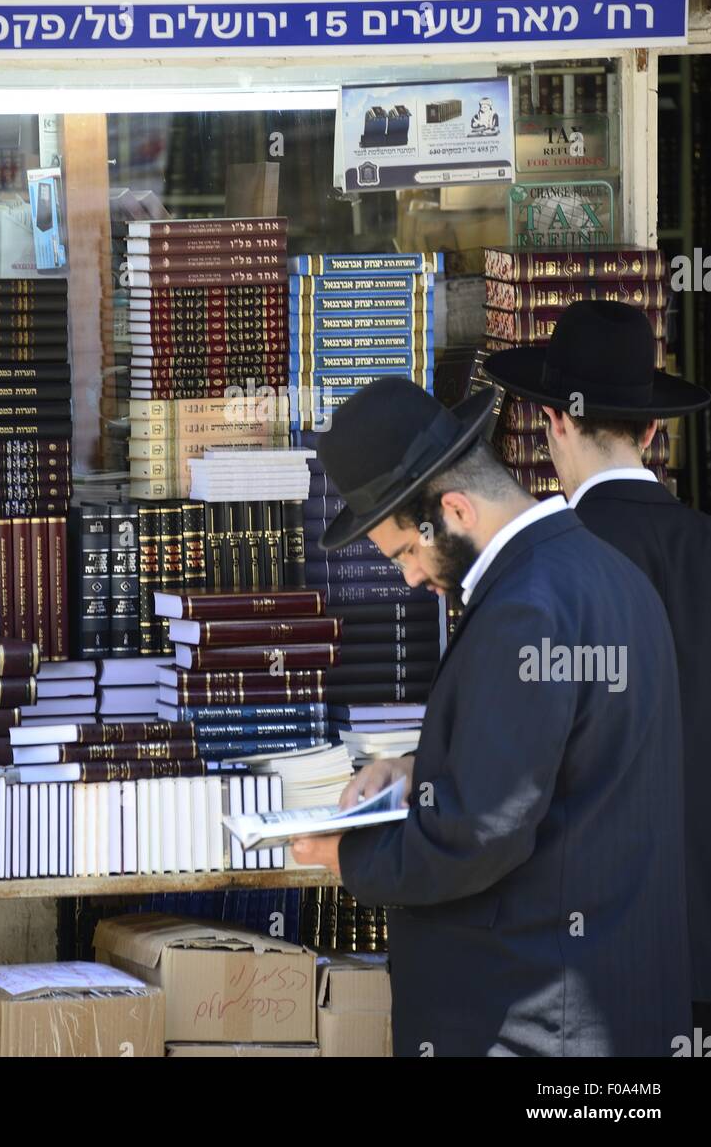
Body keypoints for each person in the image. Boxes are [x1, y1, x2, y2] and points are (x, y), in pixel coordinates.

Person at [292, 376, 690, 1057]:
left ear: (452, 508)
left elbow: (478, 833)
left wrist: (346, 852)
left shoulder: (521, 611)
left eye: (405, 552)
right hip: (613, 1010)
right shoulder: (607, 574)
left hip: (529, 1022)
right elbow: (566, 759)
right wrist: (415, 766)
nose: (411, 580)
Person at [485, 298, 711, 1032]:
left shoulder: (542, 565)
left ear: (551, 421)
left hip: (589, 952)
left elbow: (516, 773)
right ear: (650, 430)